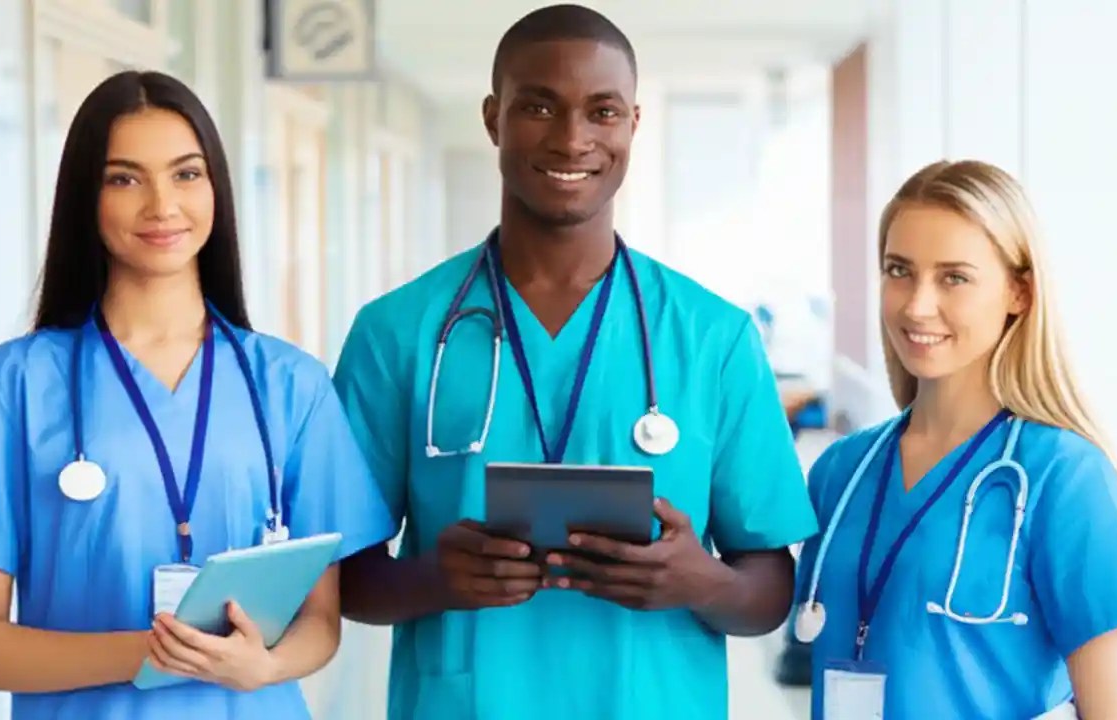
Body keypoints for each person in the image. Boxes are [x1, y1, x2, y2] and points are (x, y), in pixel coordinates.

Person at [332, 5, 817, 719]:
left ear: (632, 125)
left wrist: (698, 582)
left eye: (602, 111)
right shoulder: (396, 333)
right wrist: (437, 578)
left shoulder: (713, 338)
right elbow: (343, 580)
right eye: (538, 106)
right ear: (493, 118)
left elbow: (768, 587)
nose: (572, 138)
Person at [0, 70, 395, 719]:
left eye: (186, 174)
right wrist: (154, 651)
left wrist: (267, 665)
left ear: (216, 187)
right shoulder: (17, 383)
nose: (161, 205)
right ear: (87, 197)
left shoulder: (288, 385)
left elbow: (320, 621)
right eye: (124, 178)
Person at [793, 159, 1117, 719]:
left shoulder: (1064, 477)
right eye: (899, 270)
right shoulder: (841, 471)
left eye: (954, 277)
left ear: (1018, 293)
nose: (916, 304)